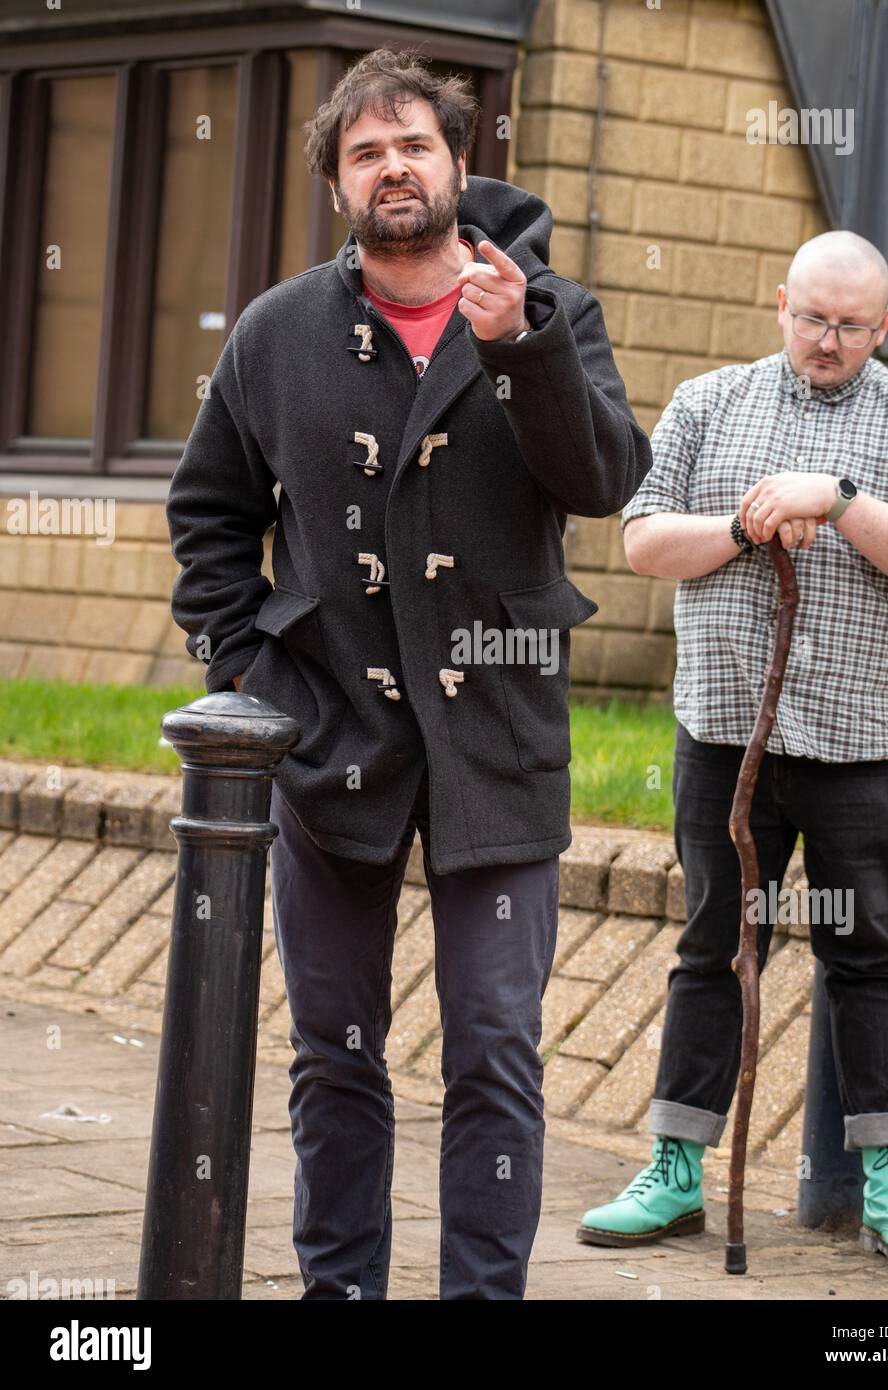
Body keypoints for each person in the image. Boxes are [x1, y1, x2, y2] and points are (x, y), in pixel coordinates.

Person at [165, 47, 651, 1300]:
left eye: (413, 145)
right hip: (325, 742)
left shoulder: (546, 309)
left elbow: (604, 483)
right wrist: (247, 669)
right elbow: (209, 515)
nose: (393, 167)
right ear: (339, 183)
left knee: (494, 1048)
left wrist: (522, 349)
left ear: (456, 162)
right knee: (332, 1051)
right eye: (364, 152)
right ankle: (341, 1292)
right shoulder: (277, 332)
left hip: (497, 738)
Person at [576, 231, 888, 1278]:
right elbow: (642, 540)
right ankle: (672, 1166)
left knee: (874, 959)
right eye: (811, 317)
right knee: (713, 947)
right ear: (779, 305)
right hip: (725, 737)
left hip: (865, 744)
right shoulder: (710, 401)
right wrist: (754, 521)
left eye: (850, 325)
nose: (827, 340)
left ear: (882, 326)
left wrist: (836, 501)